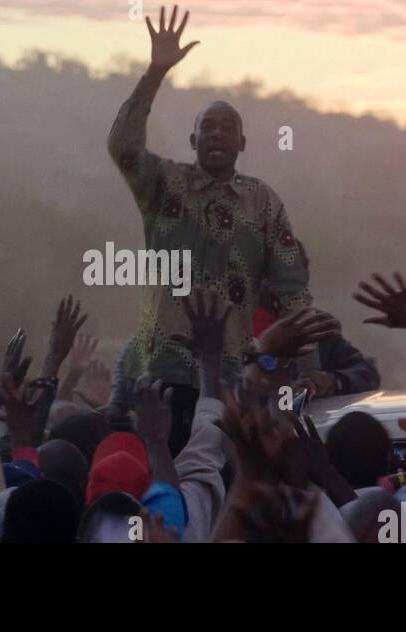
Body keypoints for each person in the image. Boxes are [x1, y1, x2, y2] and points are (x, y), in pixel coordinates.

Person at [107, 5, 325, 454]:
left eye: (228, 128)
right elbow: (122, 147)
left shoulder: (262, 202)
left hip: (229, 378)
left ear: (242, 143)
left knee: (216, 485)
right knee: (162, 489)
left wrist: (309, 368)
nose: (218, 134)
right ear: (193, 141)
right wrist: (155, 71)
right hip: (159, 373)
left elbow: (293, 292)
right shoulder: (164, 185)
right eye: (208, 126)